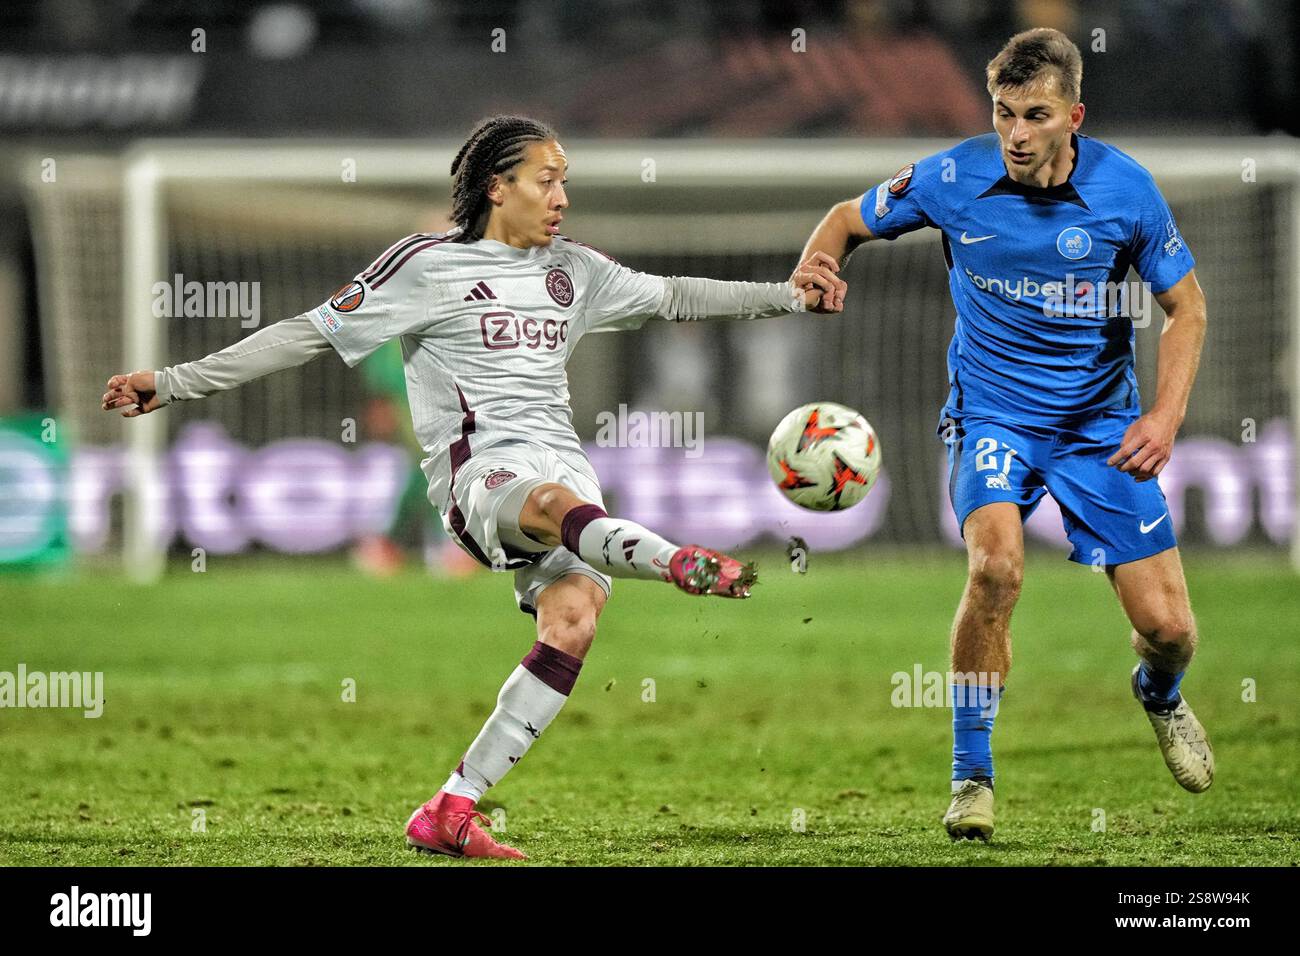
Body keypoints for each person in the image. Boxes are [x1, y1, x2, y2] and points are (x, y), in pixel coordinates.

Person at [102, 115, 848, 859]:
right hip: (480, 475)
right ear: (499, 186)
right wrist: (173, 383)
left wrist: (789, 296)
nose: (561, 197)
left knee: (573, 620)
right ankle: (675, 562)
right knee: (554, 510)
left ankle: (451, 808)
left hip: (565, 467)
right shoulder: (425, 265)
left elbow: (677, 295)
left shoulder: (575, 271)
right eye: (546, 180)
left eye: (565, 183)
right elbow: (306, 333)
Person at [797, 28, 1212, 841]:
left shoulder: (1127, 191)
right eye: (1002, 114)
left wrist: (1163, 417)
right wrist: (818, 262)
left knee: (1169, 631)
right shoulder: (951, 177)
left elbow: (1186, 308)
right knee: (994, 568)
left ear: (1074, 117)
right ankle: (971, 776)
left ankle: (1158, 694)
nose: (1015, 133)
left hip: (1100, 426)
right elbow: (846, 219)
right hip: (991, 415)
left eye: (1035, 115)